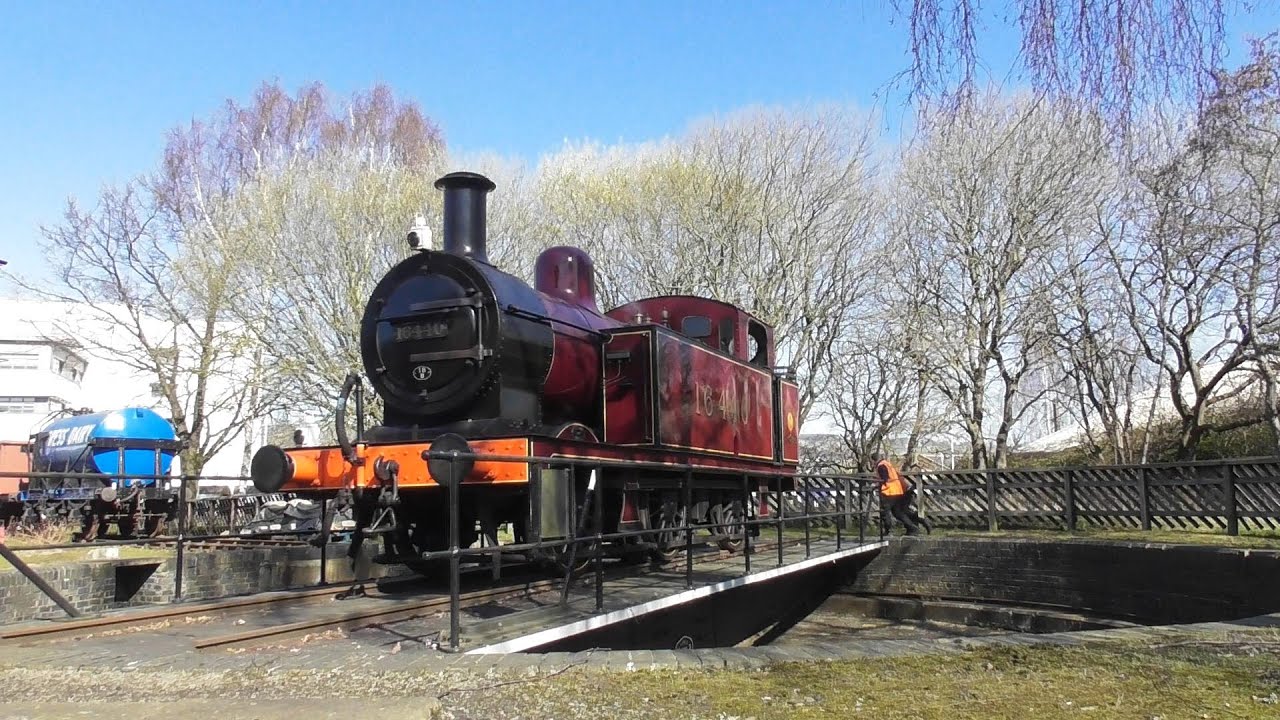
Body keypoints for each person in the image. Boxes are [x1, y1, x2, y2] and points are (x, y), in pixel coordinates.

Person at [873, 453, 932, 536]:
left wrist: (876, 484)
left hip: (889, 491)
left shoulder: (881, 466)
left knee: (886, 512)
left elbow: (885, 479)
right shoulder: (888, 464)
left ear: (873, 461)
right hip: (900, 490)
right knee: (900, 512)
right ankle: (918, 524)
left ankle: (888, 532)